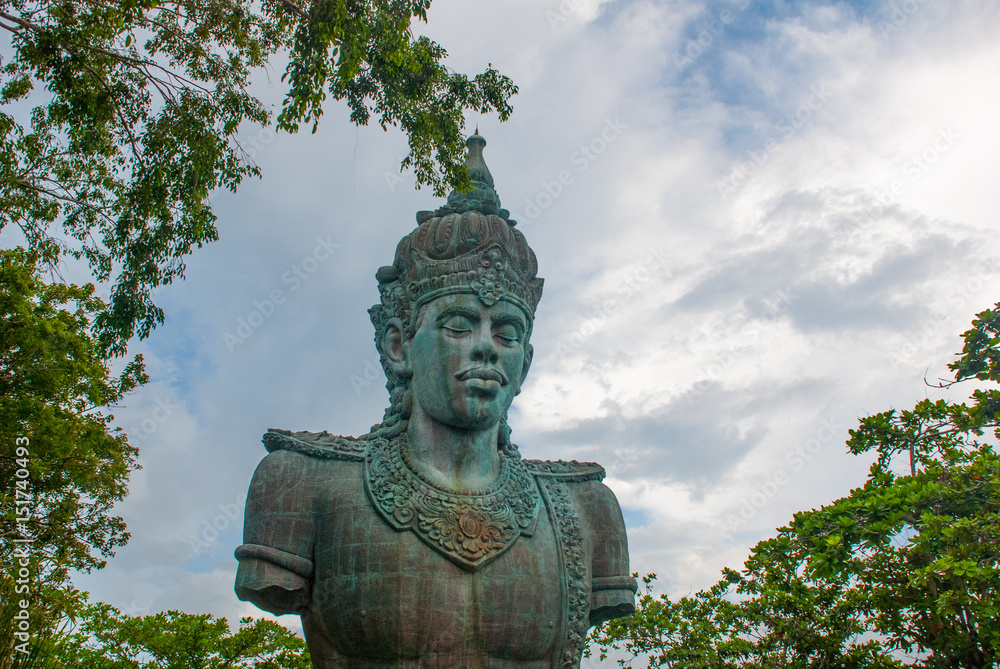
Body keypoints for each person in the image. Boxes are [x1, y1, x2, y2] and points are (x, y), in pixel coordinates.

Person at [235, 133, 636, 668]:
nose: (484, 348)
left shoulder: (587, 509)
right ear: (398, 346)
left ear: (526, 363)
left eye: (506, 332)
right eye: (458, 324)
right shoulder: (303, 483)